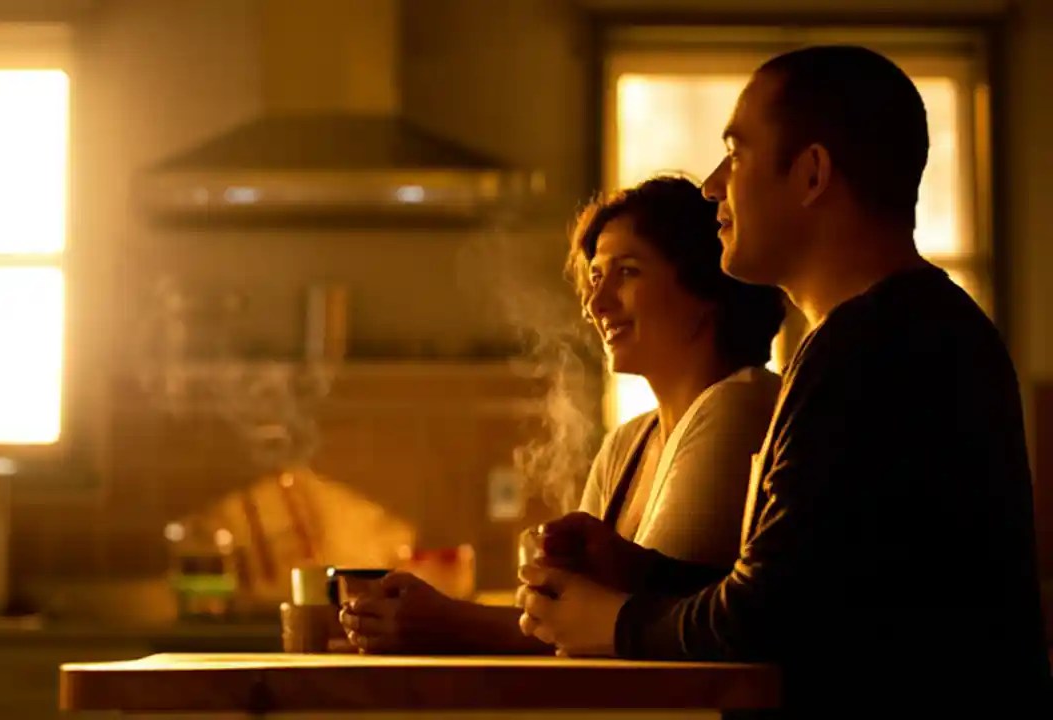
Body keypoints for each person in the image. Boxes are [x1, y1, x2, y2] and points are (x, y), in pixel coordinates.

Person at [518, 45, 1050, 710]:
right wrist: (639, 571)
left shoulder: (876, 347)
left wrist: (613, 620)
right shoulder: (896, 330)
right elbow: (822, 590)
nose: (713, 184)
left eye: (735, 153)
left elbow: (765, 620)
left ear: (812, 174)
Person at [340, 175, 786, 654]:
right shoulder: (627, 443)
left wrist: (448, 622)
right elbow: (565, 620)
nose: (596, 303)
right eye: (595, 277)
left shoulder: (738, 405)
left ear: (705, 285)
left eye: (627, 272)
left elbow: (647, 625)